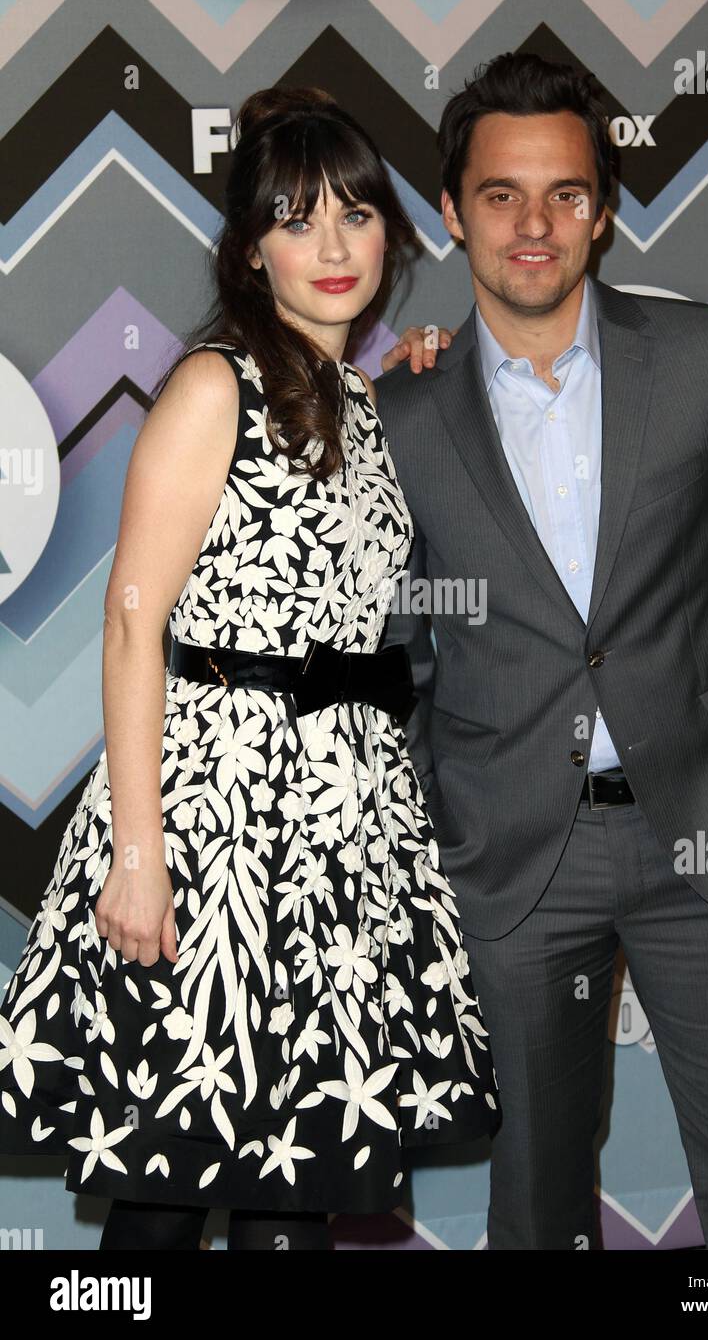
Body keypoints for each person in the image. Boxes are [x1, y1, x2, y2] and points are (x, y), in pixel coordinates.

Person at [0, 85, 500, 1251]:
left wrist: (421, 368)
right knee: (168, 1181)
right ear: (248, 248)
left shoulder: (373, 404)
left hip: (338, 840)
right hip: (210, 828)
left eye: (356, 214)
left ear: (394, 232)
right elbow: (135, 625)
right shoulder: (212, 384)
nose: (331, 247)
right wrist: (138, 856)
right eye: (295, 217)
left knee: (304, 1190)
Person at [376, 52, 708, 1250]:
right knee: (530, 1201)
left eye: (564, 194)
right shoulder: (401, 419)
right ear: (450, 213)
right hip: (510, 859)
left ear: (602, 212)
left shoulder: (707, 361)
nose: (532, 224)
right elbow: (398, 657)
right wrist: (438, 832)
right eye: (499, 194)